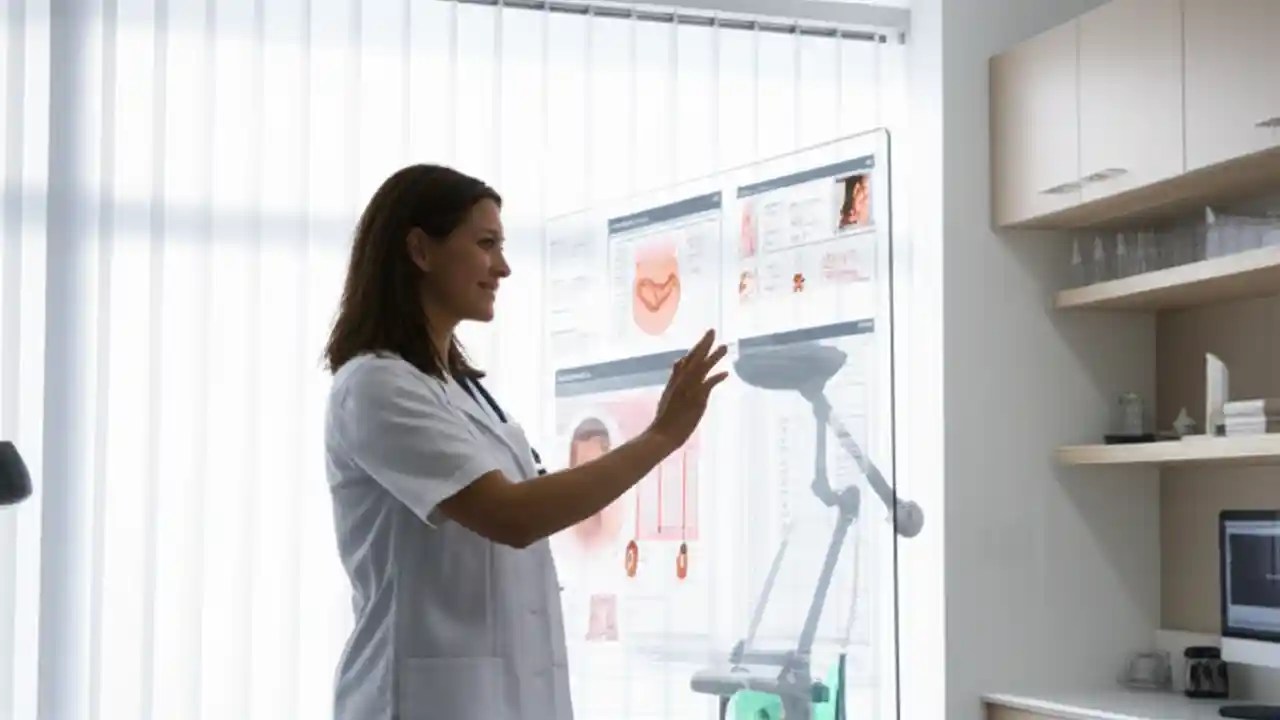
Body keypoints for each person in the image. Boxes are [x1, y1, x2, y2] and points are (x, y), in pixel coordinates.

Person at [321, 164, 728, 720]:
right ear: (420, 250)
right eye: (486, 244)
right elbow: (512, 516)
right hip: (423, 700)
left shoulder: (460, 390)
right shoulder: (375, 385)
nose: (503, 267)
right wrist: (659, 438)